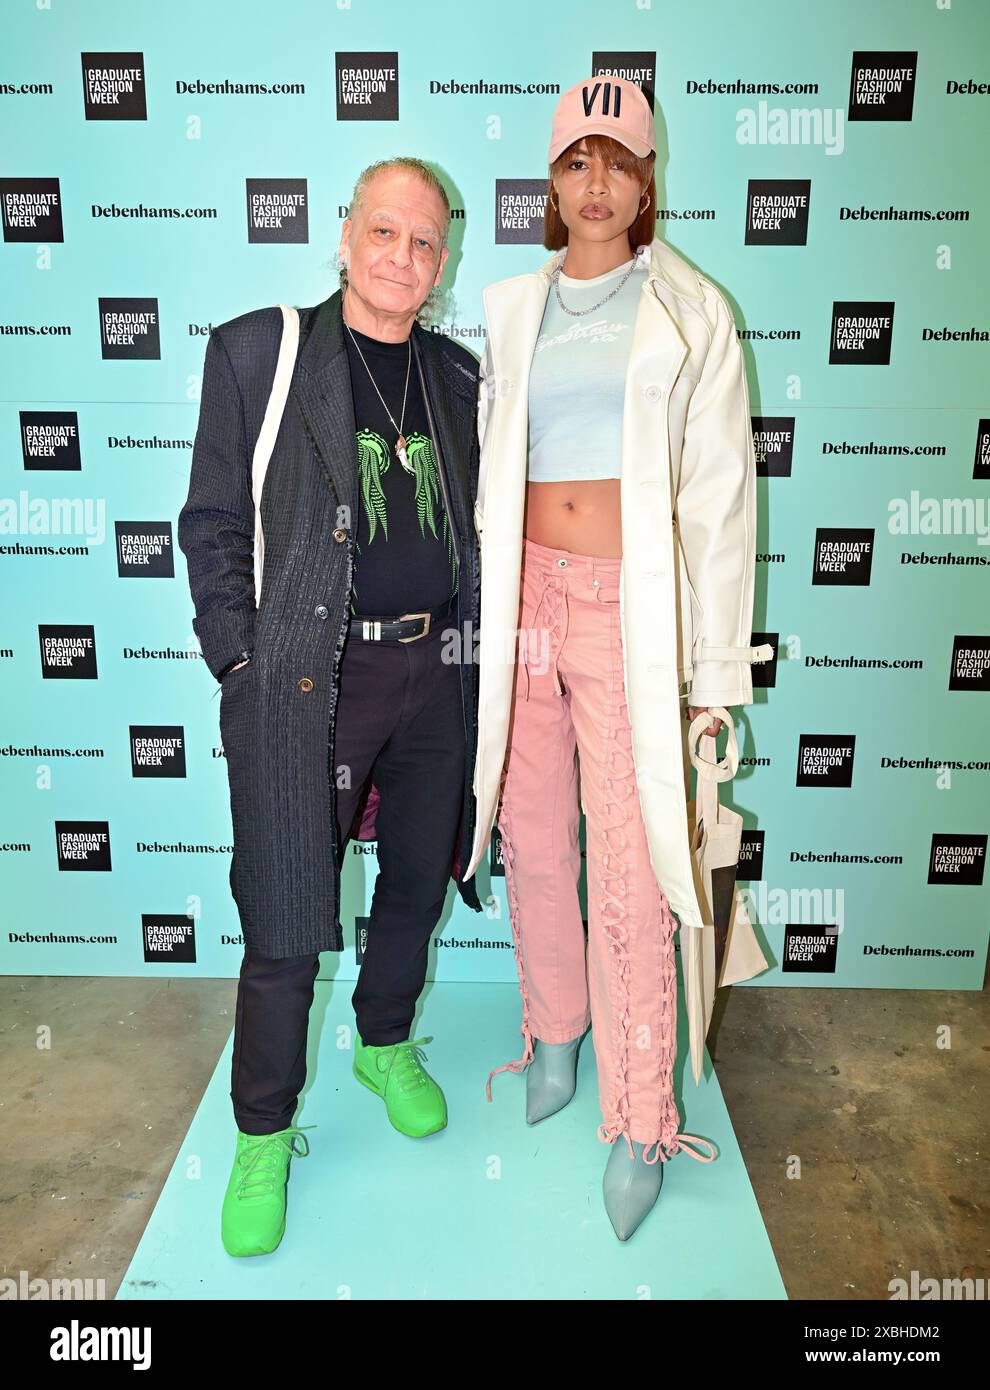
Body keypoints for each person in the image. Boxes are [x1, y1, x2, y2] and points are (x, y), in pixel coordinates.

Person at [462, 76, 767, 1240]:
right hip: (522, 599)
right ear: (553, 179)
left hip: (623, 609)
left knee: (634, 867)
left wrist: (713, 676)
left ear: (648, 181)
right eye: (577, 160)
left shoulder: (691, 309)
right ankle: (554, 1031)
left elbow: (721, 502)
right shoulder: (511, 306)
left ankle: (642, 1112)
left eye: (620, 161)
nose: (597, 183)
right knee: (533, 832)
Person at [177, 157, 483, 1257]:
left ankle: (385, 1041)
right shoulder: (262, 352)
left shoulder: (456, 377)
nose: (404, 256)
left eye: (425, 241)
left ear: (442, 263)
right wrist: (240, 662)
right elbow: (213, 519)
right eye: (385, 231)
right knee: (286, 911)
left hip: (437, 672)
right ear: (346, 235)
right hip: (311, 678)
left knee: (415, 879)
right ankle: (263, 1132)